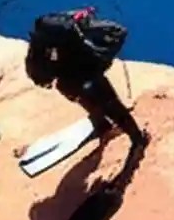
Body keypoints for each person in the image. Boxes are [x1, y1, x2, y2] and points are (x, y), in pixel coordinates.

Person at [26, 9, 148, 153]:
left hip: (68, 84)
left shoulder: (41, 45)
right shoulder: (74, 38)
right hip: (89, 77)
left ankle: (102, 125)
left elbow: (40, 73)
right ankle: (138, 140)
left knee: (87, 102)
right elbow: (115, 33)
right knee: (114, 107)